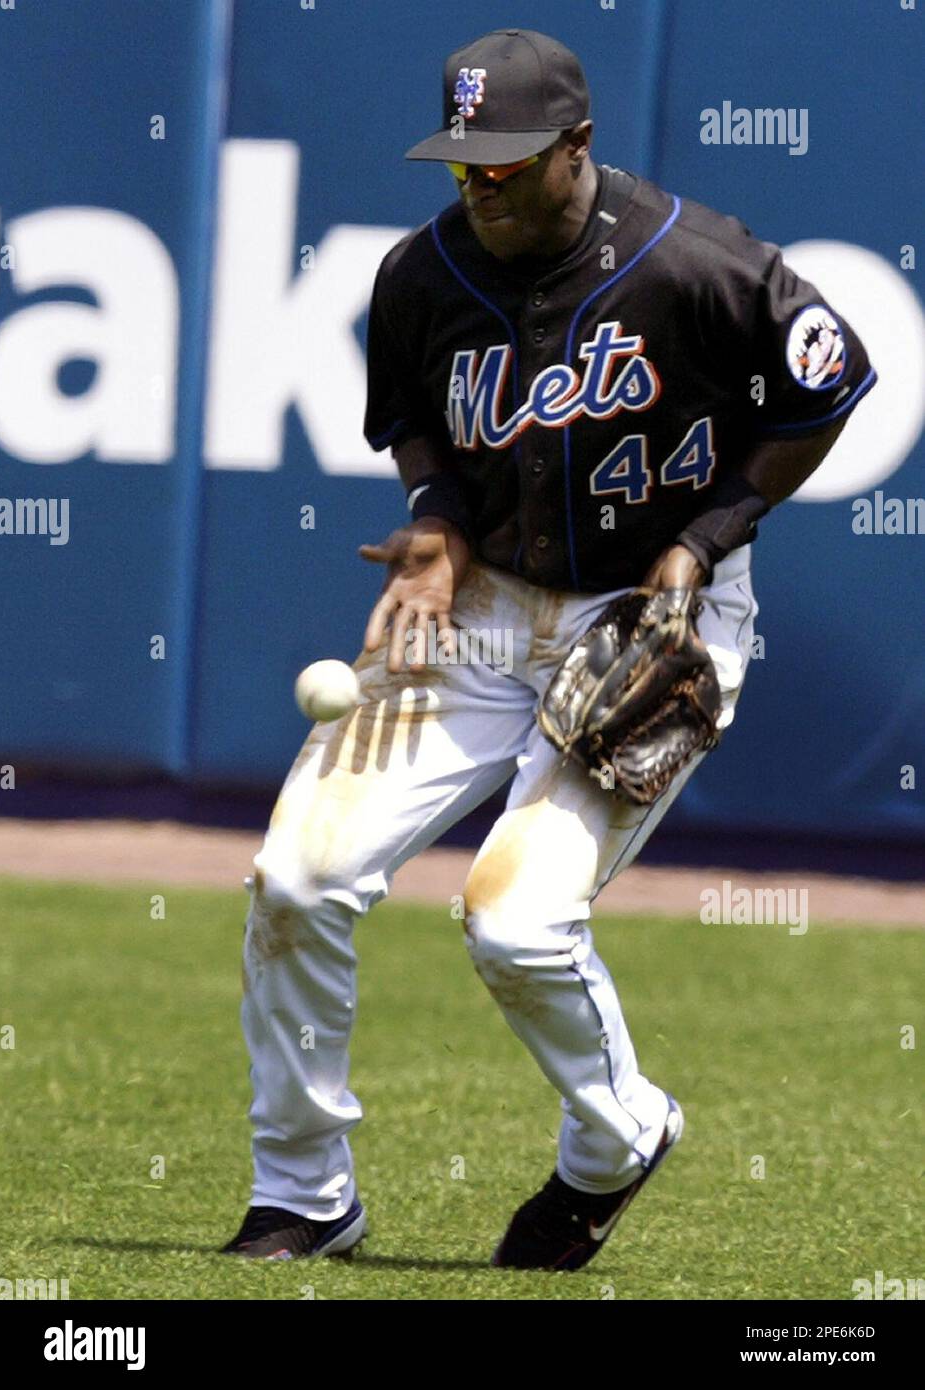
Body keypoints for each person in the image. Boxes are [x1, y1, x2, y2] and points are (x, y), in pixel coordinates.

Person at [221, 28, 876, 1270]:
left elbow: (830, 385)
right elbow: (416, 419)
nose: (482, 186)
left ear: (575, 146)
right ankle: (304, 1190)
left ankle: (617, 1137)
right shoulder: (421, 273)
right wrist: (434, 527)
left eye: (508, 163)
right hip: (477, 613)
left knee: (514, 926)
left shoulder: (695, 261)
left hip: (647, 613)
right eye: (466, 163)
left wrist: (705, 540)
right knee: (295, 881)